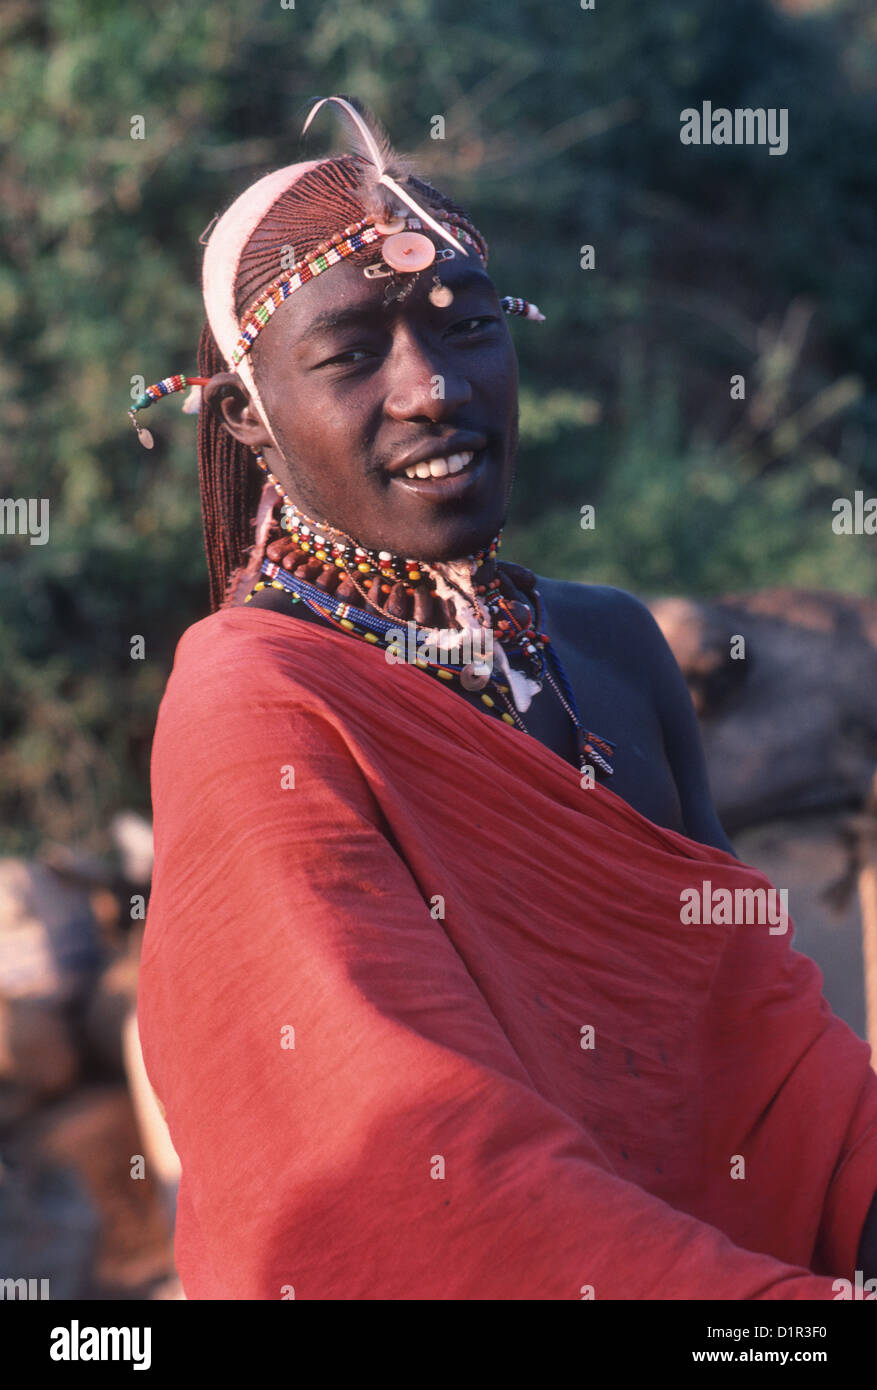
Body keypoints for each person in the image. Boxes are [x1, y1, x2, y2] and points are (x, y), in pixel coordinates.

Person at [137, 97, 877, 1300]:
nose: (431, 386)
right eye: (351, 353)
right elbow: (402, 1169)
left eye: (467, 325)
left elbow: (771, 1061)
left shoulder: (612, 647)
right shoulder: (254, 701)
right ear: (249, 424)